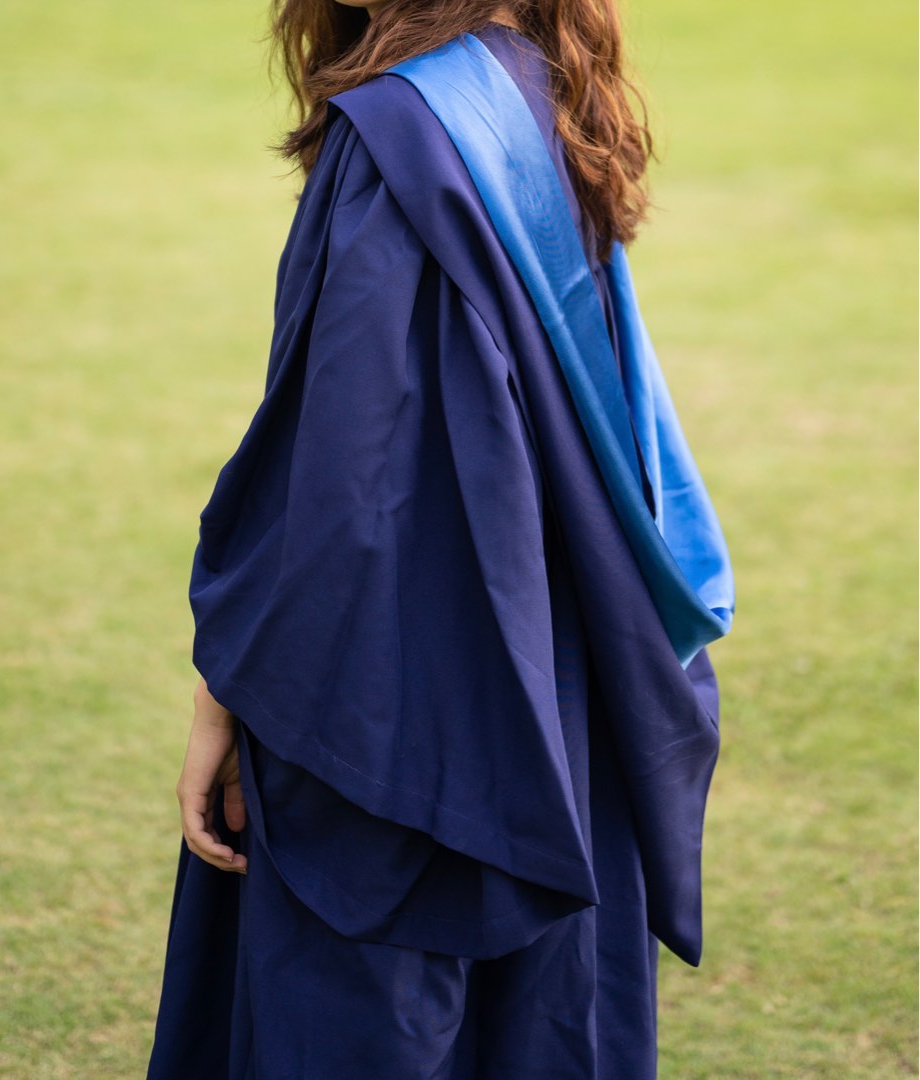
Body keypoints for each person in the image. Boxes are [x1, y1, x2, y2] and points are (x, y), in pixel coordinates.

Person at [146, 1, 735, 1076]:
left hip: (405, 701)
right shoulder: (542, 87)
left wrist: (227, 690)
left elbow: (350, 488)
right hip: (551, 675)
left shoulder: (404, 136)